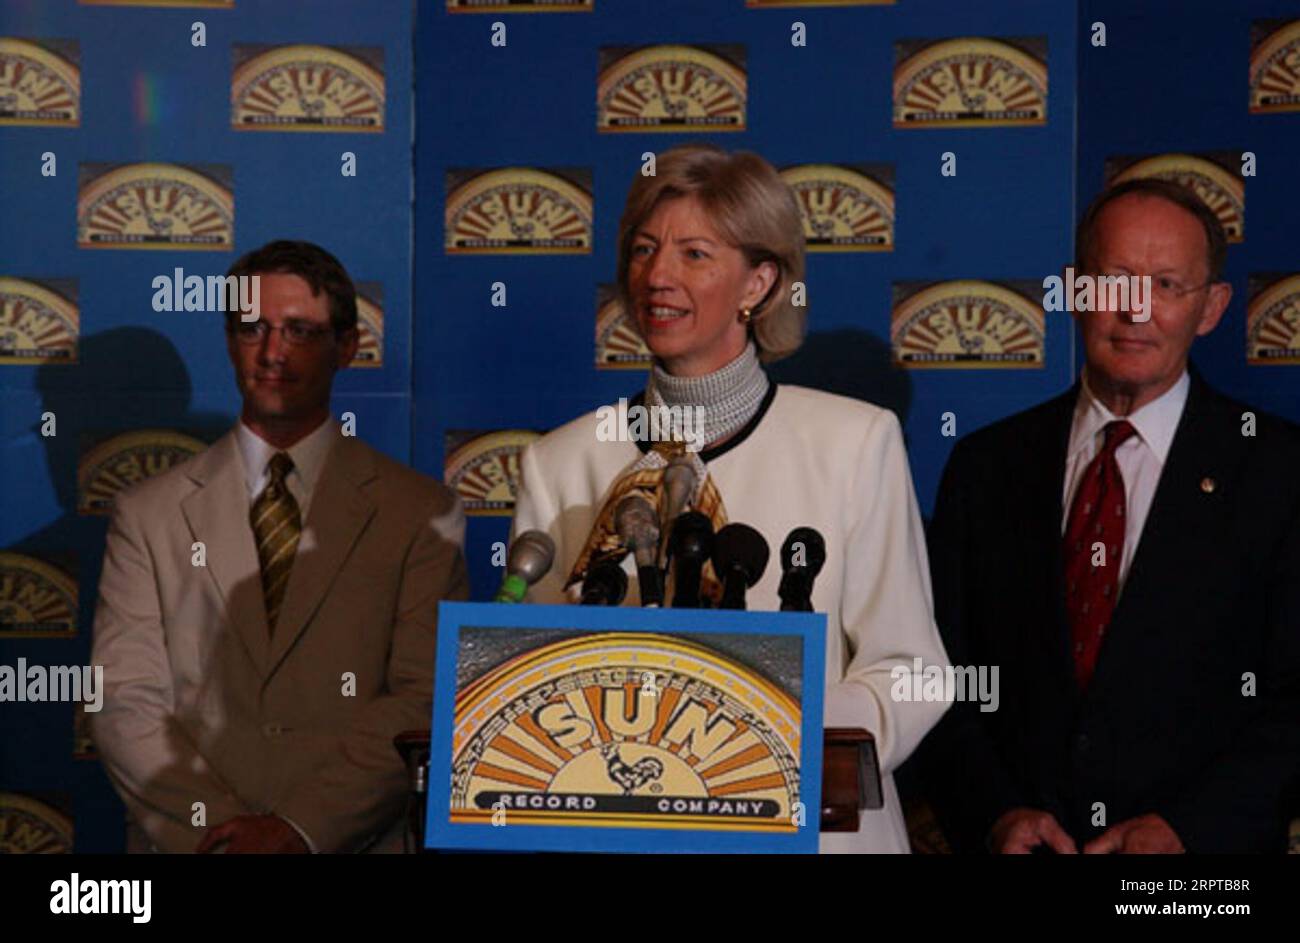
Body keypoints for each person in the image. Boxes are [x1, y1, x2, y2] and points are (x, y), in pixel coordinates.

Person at [509, 144, 950, 853]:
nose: (658, 276)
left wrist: (762, 727)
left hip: (813, 830)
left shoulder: (854, 442)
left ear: (759, 282)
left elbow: (910, 671)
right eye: (645, 249)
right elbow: (534, 688)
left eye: (694, 254)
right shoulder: (561, 462)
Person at [923, 179, 1300, 854]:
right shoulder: (985, 467)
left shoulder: (1280, 472)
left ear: (1211, 307)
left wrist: (1190, 830)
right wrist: (997, 812)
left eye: (1166, 285)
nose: (1135, 312)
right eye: (1114, 281)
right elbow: (940, 674)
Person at [90, 240, 469, 853]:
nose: (272, 353)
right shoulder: (146, 514)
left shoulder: (421, 515)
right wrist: (221, 835)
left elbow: (421, 699)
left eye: (300, 331)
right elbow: (122, 698)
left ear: (345, 348)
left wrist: (299, 830)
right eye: (252, 329)